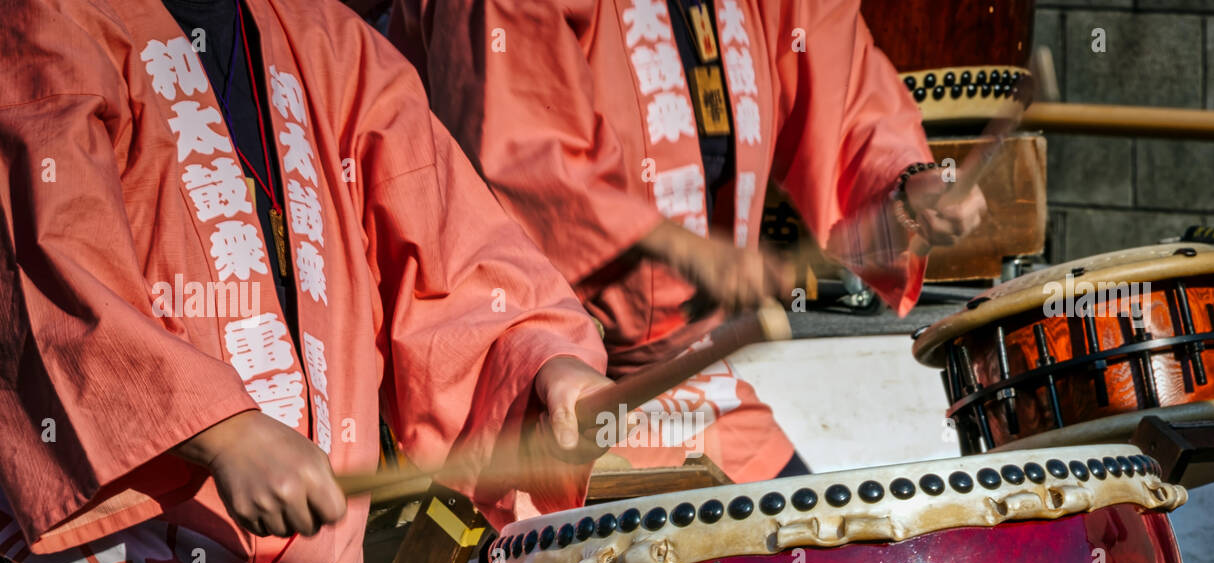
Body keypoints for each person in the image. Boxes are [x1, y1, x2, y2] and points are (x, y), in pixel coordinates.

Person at [0, 0, 610, 563]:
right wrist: (218, 431)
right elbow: (49, 260)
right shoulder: (45, 19)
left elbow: (454, 256)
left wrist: (547, 365)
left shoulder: (325, 40)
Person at [388, 0, 987, 482]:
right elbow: (521, 156)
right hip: (540, 393)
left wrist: (907, 180)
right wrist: (682, 249)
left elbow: (845, 79)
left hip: (700, 386)